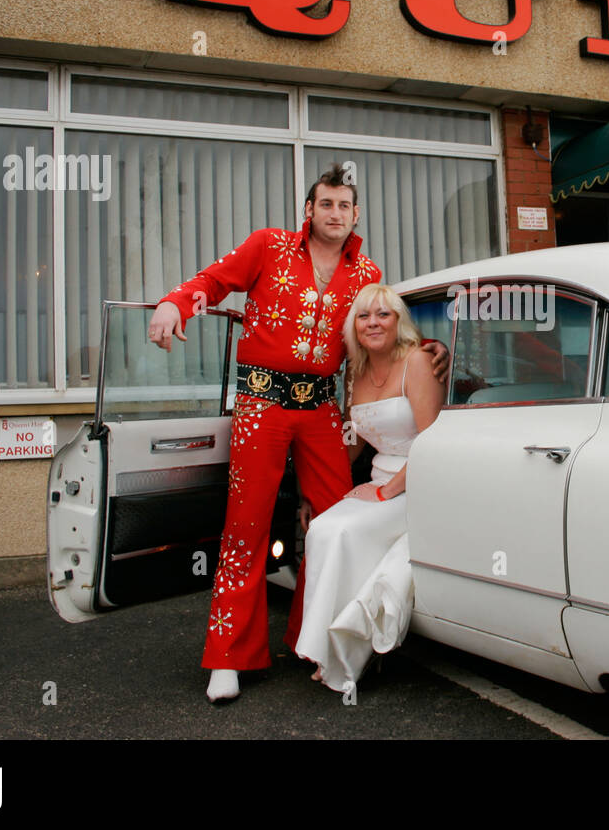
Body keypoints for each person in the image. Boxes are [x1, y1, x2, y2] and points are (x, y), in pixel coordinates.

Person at [146, 165, 444, 703]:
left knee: (335, 517)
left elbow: (385, 330)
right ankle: (228, 658)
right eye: (324, 204)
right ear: (309, 210)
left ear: (355, 215)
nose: (333, 213)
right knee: (247, 524)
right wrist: (175, 302)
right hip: (262, 401)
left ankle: (318, 641)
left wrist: (431, 350)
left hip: (321, 408)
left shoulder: (366, 271)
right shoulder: (269, 247)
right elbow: (215, 282)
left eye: (343, 206)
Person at [292, 283, 445, 692]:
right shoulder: (355, 372)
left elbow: (432, 444)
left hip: (419, 483)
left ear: (399, 322)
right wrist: (312, 487)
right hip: (379, 481)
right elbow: (351, 442)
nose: (373, 323)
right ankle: (325, 646)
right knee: (324, 527)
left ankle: (348, 656)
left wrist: (387, 491)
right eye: (364, 316)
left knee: (344, 530)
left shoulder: (417, 362)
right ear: (353, 328)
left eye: (383, 314)